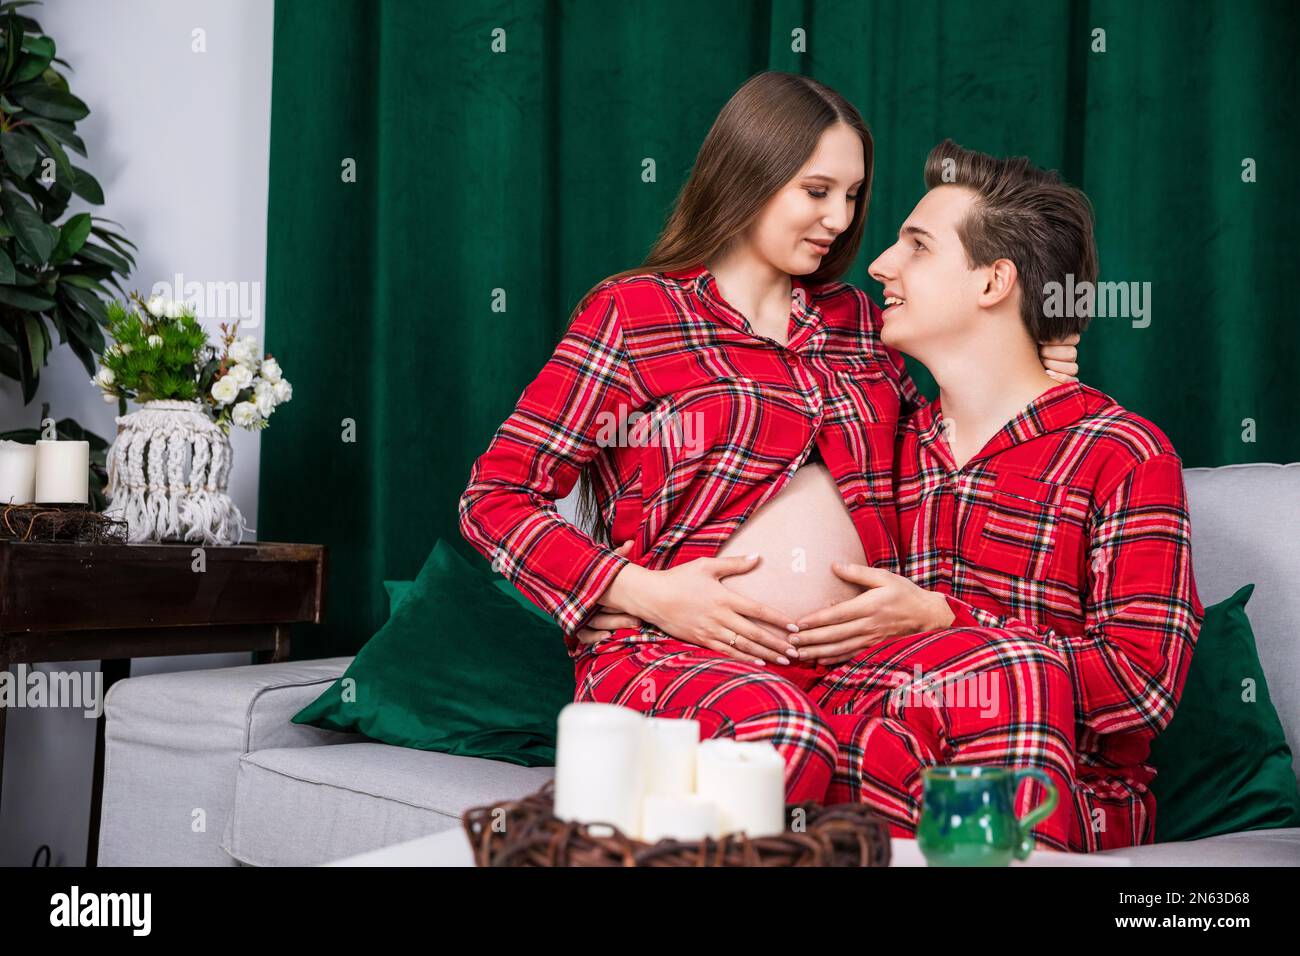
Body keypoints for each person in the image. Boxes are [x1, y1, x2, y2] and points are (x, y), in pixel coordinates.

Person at [458, 72, 1077, 807]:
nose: (840, 220)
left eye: (852, 196)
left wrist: (1023, 373)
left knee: (1007, 674)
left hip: (850, 661)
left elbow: (933, 456)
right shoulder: (636, 314)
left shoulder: (858, 323)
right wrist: (637, 590)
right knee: (781, 740)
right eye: (817, 192)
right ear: (750, 172)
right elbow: (495, 495)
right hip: (676, 653)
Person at [779, 140, 1203, 850]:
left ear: (993, 282)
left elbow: (1141, 686)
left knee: (1011, 671)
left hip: (1061, 792)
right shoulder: (879, 444)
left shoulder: (1122, 452)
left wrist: (947, 623)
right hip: (879, 753)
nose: (879, 264)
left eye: (916, 246)